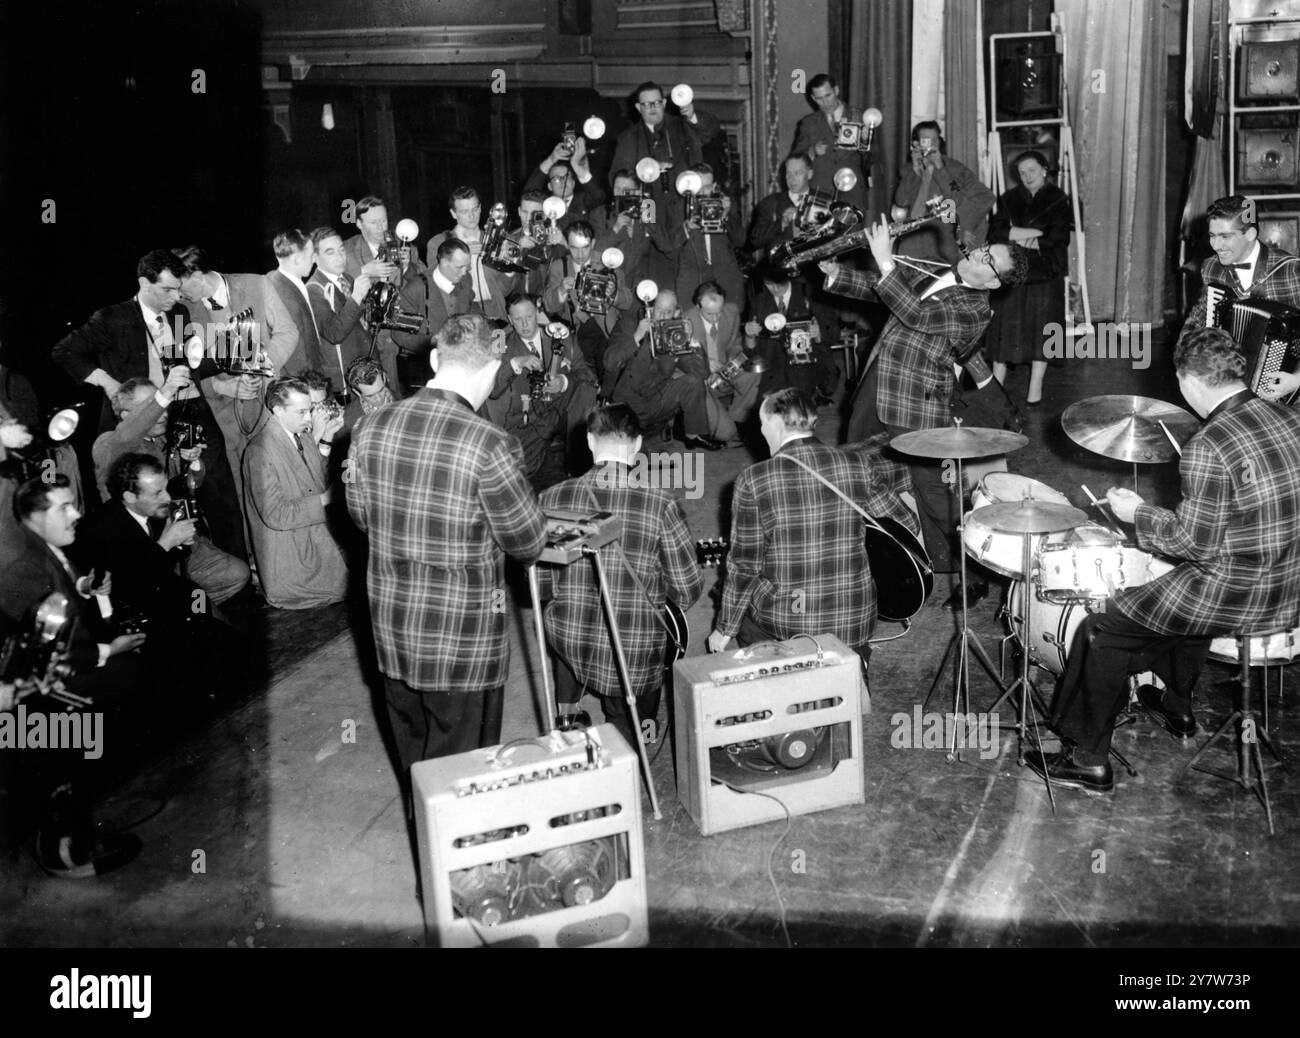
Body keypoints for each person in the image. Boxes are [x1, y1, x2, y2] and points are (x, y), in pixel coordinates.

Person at [1031, 327, 1300, 794]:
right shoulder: (1286, 416)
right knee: (1173, 590)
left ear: (1189, 381)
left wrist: (1137, 513)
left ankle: (1088, 760)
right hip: (1289, 583)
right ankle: (1177, 705)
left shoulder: (1208, 444)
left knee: (1105, 626)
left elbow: (1191, 542)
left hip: (1239, 593)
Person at [347, 314, 547, 776]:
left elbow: (362, 517)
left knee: (417, 773)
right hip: (462, 649)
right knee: (462, 783)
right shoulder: (490, 443)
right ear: (493, 370)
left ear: (435, 359)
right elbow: (529, 543)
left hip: (393, 636)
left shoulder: (369, 429)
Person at [821, 216, 1028, 587]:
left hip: (918, 404)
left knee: (935, 494)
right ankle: (866, 552)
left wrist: (885, 259)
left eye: (989, 259)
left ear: (994, 281)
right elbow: (883, 290)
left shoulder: (975, 310)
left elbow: (916, 314)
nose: (978, 253)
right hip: (880, 386)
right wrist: (836, 273)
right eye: (984, 248)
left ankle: (973, 569)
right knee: (850, 470)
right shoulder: (941, 271)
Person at [51, 249, 245, 558]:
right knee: (145, 510)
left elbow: (186, 365)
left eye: (178, 289)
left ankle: (237, 579)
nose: (175, 296)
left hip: (186, 414)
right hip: (139, 425)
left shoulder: (179, 313)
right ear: (144, 282)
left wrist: (227, 359)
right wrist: (108, 382)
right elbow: (64, 351)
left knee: (220, 493)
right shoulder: (112, 318)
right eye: (167, 289)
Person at [0, 476, 147, 878]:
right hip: (41, 691)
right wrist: (107, 652)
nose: (76, 514)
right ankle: (68, 855)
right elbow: (48, 650)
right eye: (63, 507)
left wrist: (84, 587)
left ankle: (73, 836)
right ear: (32, 516)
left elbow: (58, 595)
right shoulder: (23, 567)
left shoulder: (43, 550)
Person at [706, 389, 918, 664]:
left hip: (787, 620)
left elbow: (745, 564)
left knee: (742, 617)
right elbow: (905, 523)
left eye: (761, 423)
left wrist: (724, 629)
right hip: (853, 617)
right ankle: (855, 671)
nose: (760, 430)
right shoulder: (857, 464)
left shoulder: (754, 479)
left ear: (775, 423)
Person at [540, 404, 702, 744]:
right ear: (638, 444)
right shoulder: (662, 504)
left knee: (563, 617)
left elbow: (539, 586)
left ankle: (569, 717)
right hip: (633, 649)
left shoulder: (552, 497)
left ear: (589, 441)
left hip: (571, 638)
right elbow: (687, 591)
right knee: (633, 732)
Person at [88, 377, 249, 605]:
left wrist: (192, 462)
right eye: (153, 406)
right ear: (125, 416)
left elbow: (189, 485)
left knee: (236, 574)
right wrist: (163, 395)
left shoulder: (165, 438)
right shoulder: (109, 444)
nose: (163, 413)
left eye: (164, 405)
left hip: (178, 537)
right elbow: (124, 438)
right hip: (140, 548)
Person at [1180, 195, 1300, 402]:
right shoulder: (1211, 267)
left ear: (1250, 234)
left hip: (1289, 387)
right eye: (1212, 235)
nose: (1216, 245)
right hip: (1232, 385)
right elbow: (1199, 318)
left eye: (1225, 237)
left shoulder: (1291, 271)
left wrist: (1297, 380)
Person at [242, 377, 348, 609]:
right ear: (278, 410)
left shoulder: (297, 434)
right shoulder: (259, 451)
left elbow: (314, 477)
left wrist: (327, 435)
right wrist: (326, 499)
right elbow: (276, 515)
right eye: (301, 412)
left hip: (310, 535)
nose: (309, 418)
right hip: (290, 556)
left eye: (309, 410)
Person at [986, 151, 1075, 406]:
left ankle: (1035, 386)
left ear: (1045, 170)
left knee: (1042, 330)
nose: (1026, 176)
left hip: (1047, 271)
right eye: (1022, 172)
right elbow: (998, 231)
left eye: (1032, 171)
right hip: (1013, 269)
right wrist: (1034, 234)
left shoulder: (1059, 199)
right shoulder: (1009, 198)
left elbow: (1058, 238)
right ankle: (995, 387)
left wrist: (1018, 235)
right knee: (1004, 329)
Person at [485, 294, 599, 491]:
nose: (524, 324)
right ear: (510, 319)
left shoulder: (559, 334)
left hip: (558, 412)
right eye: (517, 319)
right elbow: (492, 390)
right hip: (524, 419)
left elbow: (588, 375)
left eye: (529, 317)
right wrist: (515, 364)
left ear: (537, 313)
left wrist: (563, 382)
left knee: (586, 390)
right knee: (518, 479)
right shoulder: (500, 340)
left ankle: (579, 468)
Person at [602, 286, 721, 450]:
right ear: (650, 308)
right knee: (631, 455)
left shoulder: (673, 334)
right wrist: (636, 337)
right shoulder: (628, 326)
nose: (664, 316)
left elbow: (700, 376)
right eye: (659, 310)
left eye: (669, 311)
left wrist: (693, 343)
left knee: (692, 382)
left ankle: (693, 435)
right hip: (625, 403)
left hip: (654, 399)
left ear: (676, 313)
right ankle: (639, 434)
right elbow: (609, 362)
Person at [893, 121, 995, 265]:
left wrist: (964, 225)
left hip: (944, 239)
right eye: (925, 141)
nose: (930, 145)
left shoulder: (955, 169)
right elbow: (901, 202)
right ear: (915, 144)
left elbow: (986, 198)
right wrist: (914, 172)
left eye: (934, 140)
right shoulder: (909, 170)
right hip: (914, 239)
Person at [685, 280, 759, 443]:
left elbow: (734, 343)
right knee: (725, 434)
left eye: (718, 312)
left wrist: (734, 361)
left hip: (725, 372)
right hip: (701, 380)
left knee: (753, 374)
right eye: (709, 314)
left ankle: (738, 419)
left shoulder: (731, 311)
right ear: (698, 307)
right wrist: (706, 365)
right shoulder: (685, 320)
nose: (715, 318)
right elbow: (683, 362)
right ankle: (684, 422)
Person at [789, 74, 870, 215]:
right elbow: (796, 159)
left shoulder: (860, 116)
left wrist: (864, 143)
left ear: (836, 91)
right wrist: (812, 151)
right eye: (819, 98)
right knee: (821, 237)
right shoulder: (808, 123)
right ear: (813, 98)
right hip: (820, 193)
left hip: (853, 190)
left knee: (853, 235)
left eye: (828, 96)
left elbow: (874, 157)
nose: (825, 102)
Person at [306, 225, 373, 394]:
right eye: (330, 252)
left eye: (341, 250)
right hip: (344, 378)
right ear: (314, 257)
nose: (340, 257)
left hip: (364, 366)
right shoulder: (313, 290)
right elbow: (334, 333)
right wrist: (356, 297)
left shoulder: (347, 279)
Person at [265, 228, 325, 376]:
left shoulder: (277, 279)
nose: (314, 259)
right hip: (303, 378)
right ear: (297, 259)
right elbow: (296, 354)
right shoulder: (285, 295)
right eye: (311, 255)